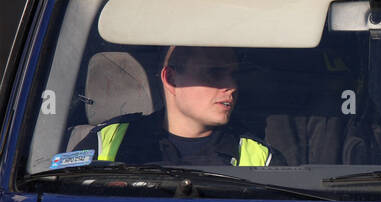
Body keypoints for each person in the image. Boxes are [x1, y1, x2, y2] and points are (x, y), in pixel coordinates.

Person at [75, 45, 281, 166]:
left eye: (233, 75)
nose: (231, 86)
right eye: (215, 73)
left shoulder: (261, 158)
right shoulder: (107, 141)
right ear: (171, 78)